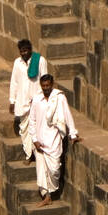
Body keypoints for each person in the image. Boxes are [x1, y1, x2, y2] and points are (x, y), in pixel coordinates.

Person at [30, 74, 80, 206]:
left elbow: (67, 115)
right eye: (43, 86)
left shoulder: (59, 97)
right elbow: (32, 121)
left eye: (48, 85)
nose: (46, 88)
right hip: (40, 140)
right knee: (42, 170)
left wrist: (73, 133)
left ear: (52, 84)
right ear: (41, 85)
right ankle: (47, 196)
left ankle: (51, 192)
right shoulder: (36, 99)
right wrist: (34, 139)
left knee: (54, 169)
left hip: (54, 139)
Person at [8, 39, 48, 162]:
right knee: (25, 129)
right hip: (22, 101)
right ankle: (29, 154)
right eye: (21, 51)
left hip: (36, 101)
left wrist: (43, 98)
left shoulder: (40, 61)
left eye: (26, 51)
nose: (24, 53)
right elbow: (14, 82)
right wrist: (12, 100)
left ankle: (38, 155)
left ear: (30, 50)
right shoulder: (17, 63)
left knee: (37, 128)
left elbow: (45, 79)